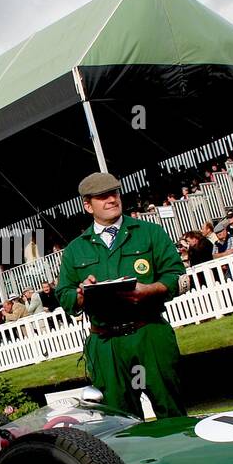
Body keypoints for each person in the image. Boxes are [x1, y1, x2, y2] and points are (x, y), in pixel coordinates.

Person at [56, 172, 186, 419]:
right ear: (87, 205)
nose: (111, 200)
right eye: (102, 197)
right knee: (120, 421)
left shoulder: (149, 232)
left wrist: (151, 290)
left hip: (148, 334)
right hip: (106, 344)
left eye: (114, 193)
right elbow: (64, 295)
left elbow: (177, 277)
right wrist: (82, 294)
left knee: (170, 408)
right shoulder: (75, 249)